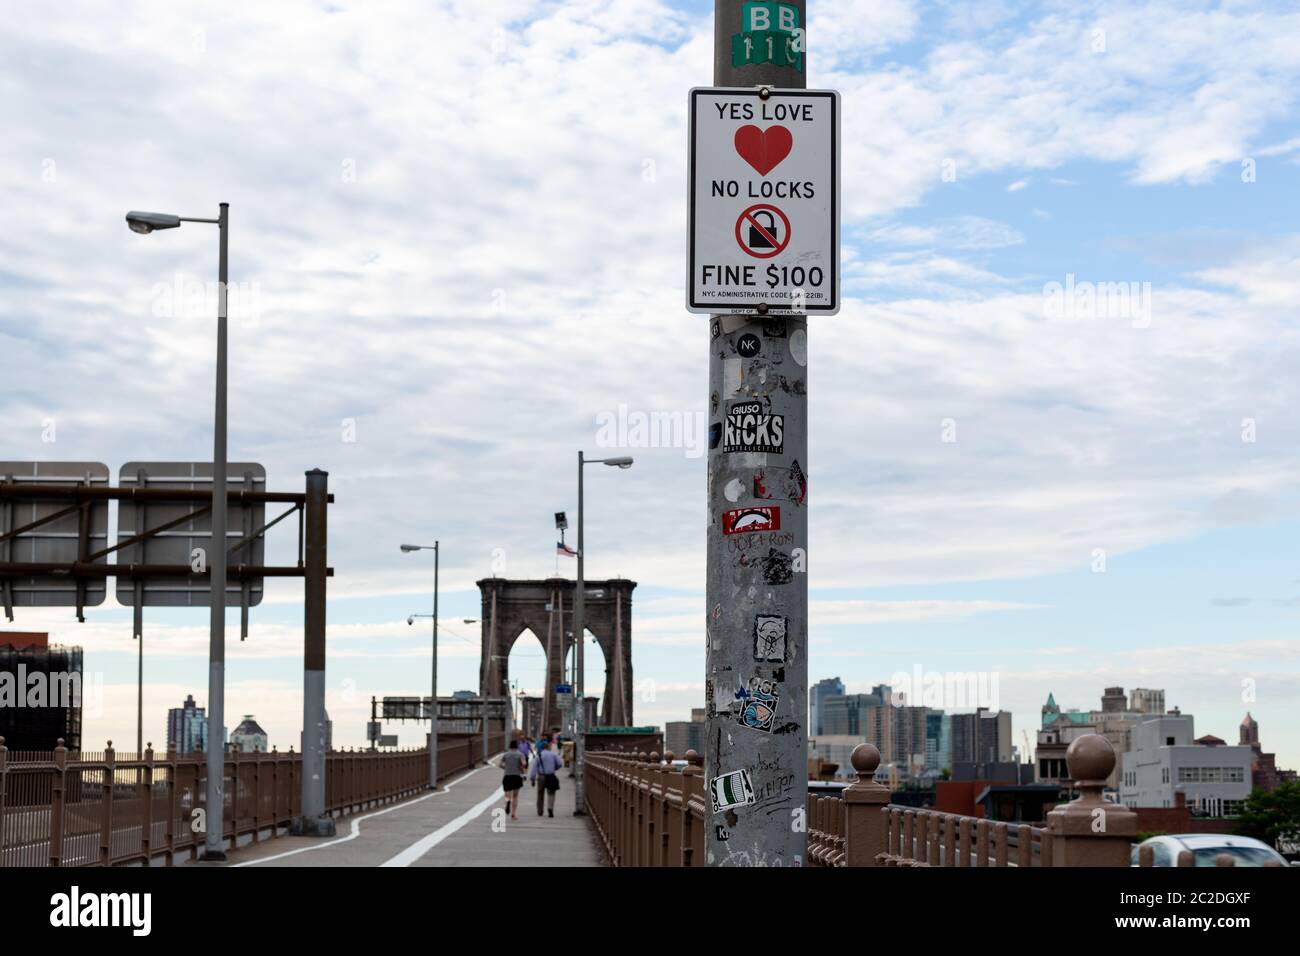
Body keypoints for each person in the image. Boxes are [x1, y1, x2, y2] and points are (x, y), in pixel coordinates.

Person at [530, 735, 563, 817]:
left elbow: (534, 768)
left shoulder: (539, 755)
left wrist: (532, 778)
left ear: (541, 748)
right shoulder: (553, 755)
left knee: (540, 794)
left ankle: (540, 811)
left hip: (541, 777)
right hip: (551, 776)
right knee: (551, 793)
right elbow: (559, 764)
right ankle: (550, 808)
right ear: (548, 747)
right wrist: (554, 768)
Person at [499, 743, 526, 820]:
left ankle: (508, 801)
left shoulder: (506, 754)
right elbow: (524, 764)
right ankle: (513, 814)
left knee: (507, 792)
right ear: (517, 747)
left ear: (509, 747)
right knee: (515, 796)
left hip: (507, 776)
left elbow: (500, 764)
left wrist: (506, 768)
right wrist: (520, 767)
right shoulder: (520, 754)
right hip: (516, 776)